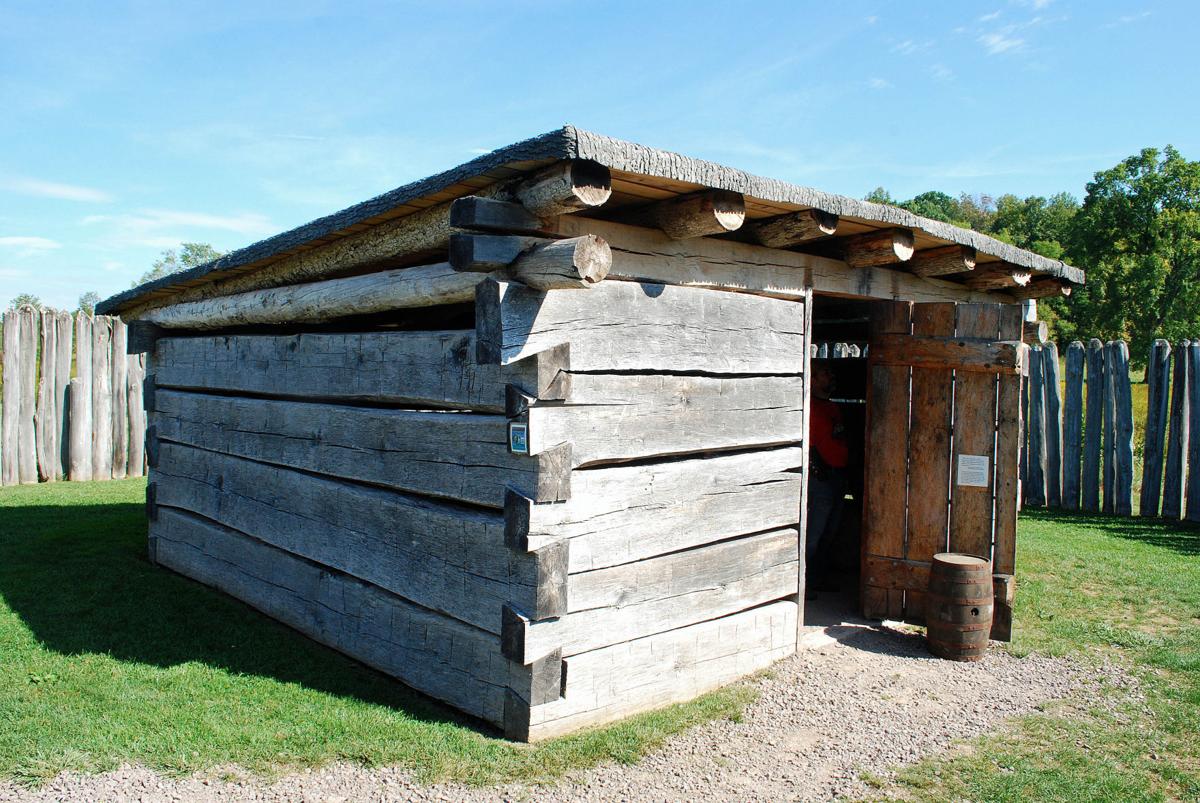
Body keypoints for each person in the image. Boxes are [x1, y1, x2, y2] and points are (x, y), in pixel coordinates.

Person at [806, 363, 850, 598]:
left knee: (828, 533)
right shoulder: (809, 406)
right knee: (814, 533)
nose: (830, 377)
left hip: (837, 475)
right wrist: (817, 469)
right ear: (812, 380)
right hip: (822, 477)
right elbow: (808, 443)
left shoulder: (832, 407)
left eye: (831, 373)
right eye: (825, 373)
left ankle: (817, 580)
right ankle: (804, 584)